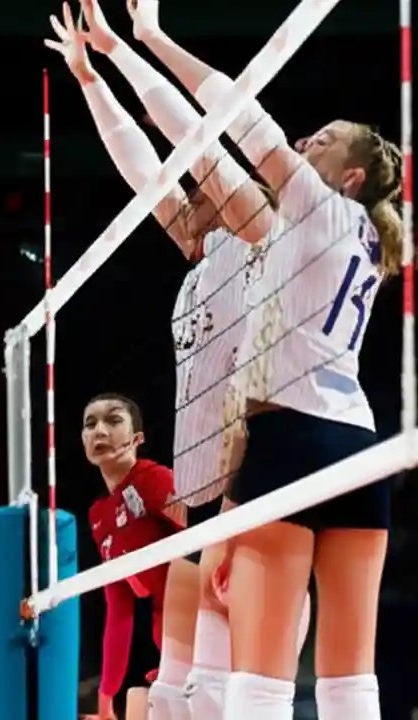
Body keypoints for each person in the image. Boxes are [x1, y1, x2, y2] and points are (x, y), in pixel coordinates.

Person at [123, 3, 404, 718]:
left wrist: (156, 39)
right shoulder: (373, 240)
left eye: (326, 142)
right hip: (358, 443)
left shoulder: (316, 205)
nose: (308, 142)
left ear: (349, 178)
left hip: (293, 441)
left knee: (261, 680)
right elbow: (204, 144)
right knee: (351, 683)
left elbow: (228, 114)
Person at [79, 392, 185, 720]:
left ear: (136, 438)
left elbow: (206, 536)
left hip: (201, 625)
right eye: (90, 423)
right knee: (137, 699)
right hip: (167, 637)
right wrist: (106, 700)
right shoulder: (99, 515)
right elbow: (119, 609)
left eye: (113, 420)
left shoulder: (153, 479)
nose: (99, 430)